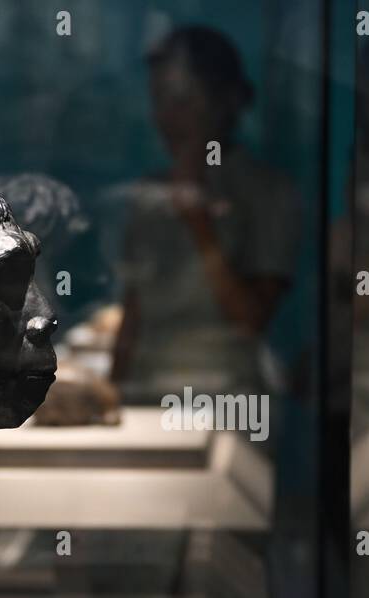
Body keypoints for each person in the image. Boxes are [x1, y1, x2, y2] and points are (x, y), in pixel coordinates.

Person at [111, 26, 300, 404]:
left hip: (228, 396)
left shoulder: (266, 191)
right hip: (144, 391)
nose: (166, 116)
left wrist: (200, 225)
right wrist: (112, 390)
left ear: (225, 100)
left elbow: (250, 319)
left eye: (182, 100)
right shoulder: (149, 192)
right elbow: (133, 312)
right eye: (158, 100)